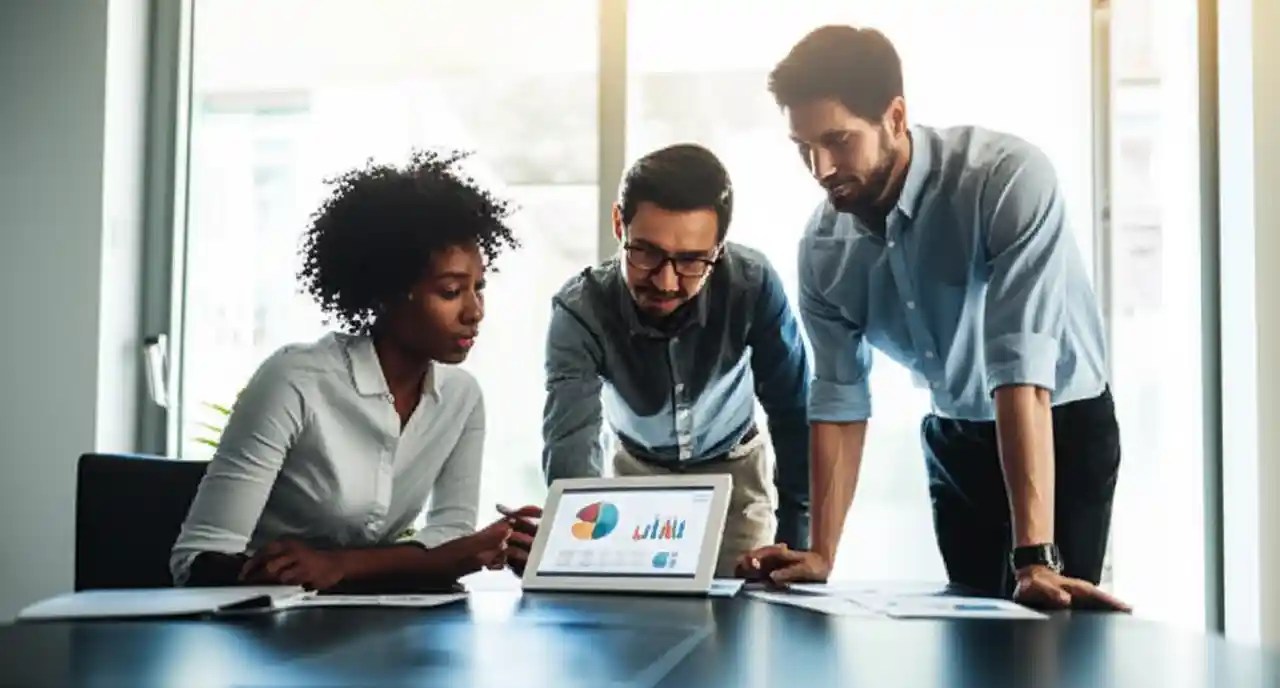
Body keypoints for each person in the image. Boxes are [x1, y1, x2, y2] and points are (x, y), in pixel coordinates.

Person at [739, 25, 1129, 611]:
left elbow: (1021, 370)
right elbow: (840, 396)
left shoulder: (1006, 179)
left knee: (1049, 637)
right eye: (804, 148)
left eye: (839, 141)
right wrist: (821, 552)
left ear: (894, 116)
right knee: (972, 636)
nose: (820, 168)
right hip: (955, 434)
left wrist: (1035, 558)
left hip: (1061, 422)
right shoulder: (824, 246)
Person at [170, 149, 519, 591]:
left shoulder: (461, 398)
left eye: (479, 287)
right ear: (389, 293)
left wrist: (340, 566)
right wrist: (294, 573)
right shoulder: (296, 382)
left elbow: (448, 539)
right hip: (259, 632)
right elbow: (197, 561)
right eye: (450, 291)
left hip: (373, 630)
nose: (475, 311)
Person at [505, 143, 811, 577]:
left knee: (743, 620)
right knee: (631, 622)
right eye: (646, 253)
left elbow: (793, 410)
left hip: (736, 474)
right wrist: (568, 547)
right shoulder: (580, 310)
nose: (665, 282)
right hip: (636, 475)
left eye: (690, 261)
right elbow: (572, 438)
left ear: (719, 248)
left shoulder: (753, 285)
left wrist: (799, 540)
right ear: (619, 224)